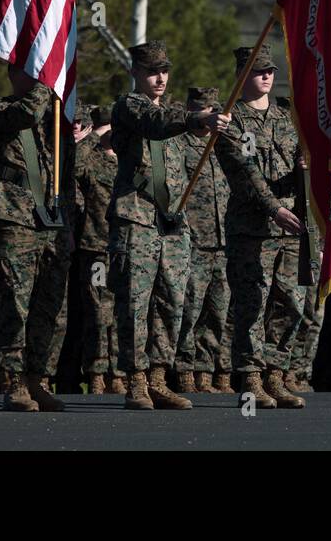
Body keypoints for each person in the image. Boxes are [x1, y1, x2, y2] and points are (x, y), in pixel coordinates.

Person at [109, 41, 229, 410]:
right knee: (135, 303)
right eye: (151, 71)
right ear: (135, 73)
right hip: (138, 216)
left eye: (164, 71)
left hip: (173, 222)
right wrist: (197, 120)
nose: (159, 78)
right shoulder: (129, 107)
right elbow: (154, 125)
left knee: (173, 301)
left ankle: (160, 377)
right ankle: (136, 381)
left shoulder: (177, 116)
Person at [214, 44, 307, 409]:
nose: (266, 76)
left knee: (290, 303)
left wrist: (306, 168)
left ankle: (275, 374)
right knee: (253, 303)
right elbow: (245, 173)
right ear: (242, 76)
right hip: (252, 227)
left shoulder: (287, 116)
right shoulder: (230, 120)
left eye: (270, 71)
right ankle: (251, 378)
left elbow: (303, 159)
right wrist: (274, 209)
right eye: (258, 71)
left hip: (290, 227)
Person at [0, 65, 75, 412]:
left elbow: (65, 179)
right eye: (31, 71)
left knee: (52, 309)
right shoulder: (0, 111)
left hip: (51, 222)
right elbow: (25, 113)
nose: (38, 79)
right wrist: (47, 82)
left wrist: (67, 229)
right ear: (12, 72)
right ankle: (13, 382)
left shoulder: (54, 123)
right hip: (15, 219)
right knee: (13, 305)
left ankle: (39, 378)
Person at [175, 87, 234, 395]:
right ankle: (184, 369)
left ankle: (207, 371)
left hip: (223, 241)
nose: (209, 116)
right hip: (193, 240)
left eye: (213, 110)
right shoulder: (178, 144)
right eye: (203, 110)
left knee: (218, 311)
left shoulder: (223, 145)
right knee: (189, 309)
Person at [73, 105, 122, 394]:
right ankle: (96, 372)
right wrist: (94, 139)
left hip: (123, 248)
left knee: (121, 312)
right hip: (95, 247)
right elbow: (73, 169)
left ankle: (119, 371)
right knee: (97, 312)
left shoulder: (130, 160)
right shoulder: (90, 160)